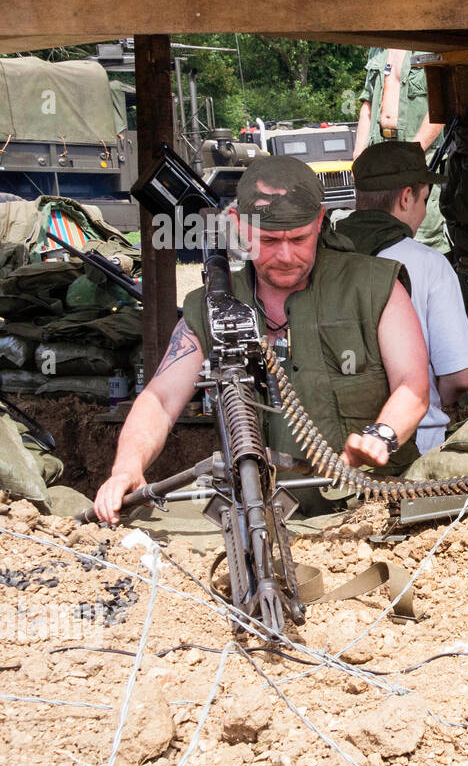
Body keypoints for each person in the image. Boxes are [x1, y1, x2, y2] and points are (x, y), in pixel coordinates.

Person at [92, 156, 430, 523]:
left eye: (299, 239)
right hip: (262, 516)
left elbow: (413, 386)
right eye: (268, 240)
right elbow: (160, 399)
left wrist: (381, 436)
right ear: (239, 226)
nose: (285, 256)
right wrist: (126, 467)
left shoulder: (374, 286)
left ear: (320, 221)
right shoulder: (215, 305)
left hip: (367, 511)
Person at [335, 142, 468, 453]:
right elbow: (459, 378)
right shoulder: (430, 265)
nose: (424, 211)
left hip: (336, 443)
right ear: (405, 197)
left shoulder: (325, 254)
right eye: (424, 200)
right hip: (412, 445)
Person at [353, 47, 450, 254]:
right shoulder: (377, 49)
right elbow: (368, 103)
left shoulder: (429, 44)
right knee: (377, 231)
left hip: (420, 154)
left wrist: (411, 154)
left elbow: (440, 106)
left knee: (423, 235)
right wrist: (359, 152)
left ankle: (425, 280)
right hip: (379, 150)